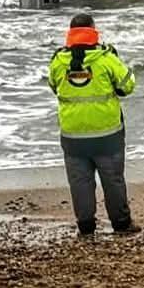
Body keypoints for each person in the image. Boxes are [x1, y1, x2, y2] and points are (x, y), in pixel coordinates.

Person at [49, 13, 136, 240]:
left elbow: (53, 84)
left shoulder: (58, 61)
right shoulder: (105, 58)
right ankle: (121, 223)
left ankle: (86, 227)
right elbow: (128, 85)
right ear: (93, 31)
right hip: (107, 134)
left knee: (80, 182)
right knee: (113, 179)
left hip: (72, 135)